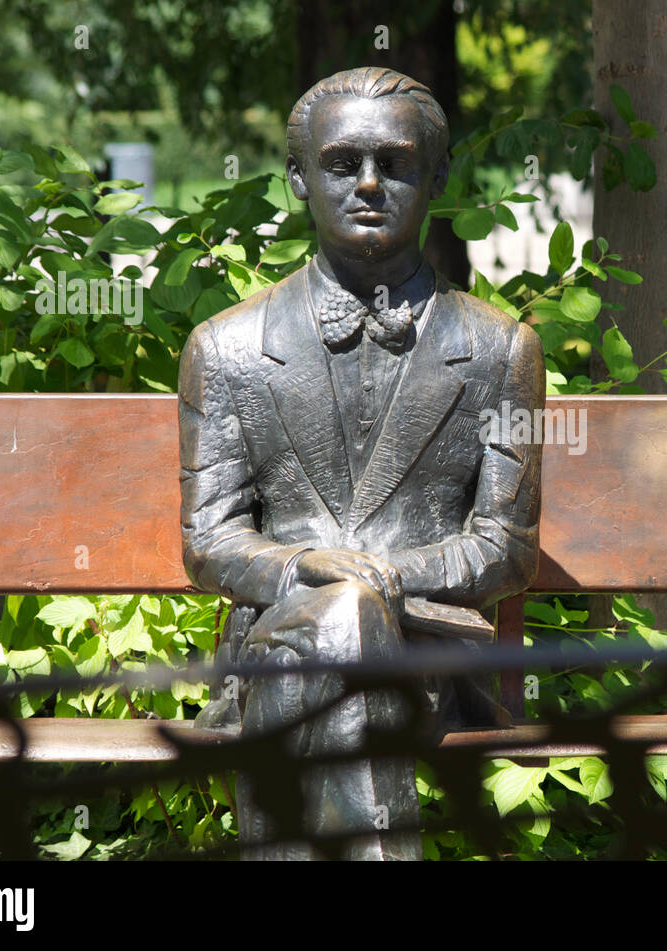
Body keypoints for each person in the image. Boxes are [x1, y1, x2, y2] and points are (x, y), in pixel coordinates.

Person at [177, 66, 544, 860]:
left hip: (429, 665)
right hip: (273, 656)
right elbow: (209, 542)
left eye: (397, 163)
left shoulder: (500, 349)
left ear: (438, 176)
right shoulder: (228, 348)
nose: (370, 183)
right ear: (299, 179)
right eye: (342, 163)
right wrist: (313, 569)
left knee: (350, 616)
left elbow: (506, 548)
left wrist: (379, 581)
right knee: (337, 620)